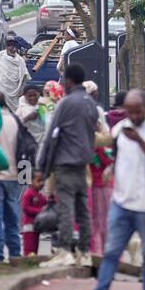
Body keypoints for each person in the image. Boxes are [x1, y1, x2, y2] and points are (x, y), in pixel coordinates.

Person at [71, 90, 145, 290]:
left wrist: (140, 142)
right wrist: (111, 167)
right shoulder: (118, 130)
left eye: (139, 111)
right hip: (121, 202)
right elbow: (118, 156)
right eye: (131, 111)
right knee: (111, 252)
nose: (135, 116)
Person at [39, 63, 99, 261]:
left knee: (66, 208)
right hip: (83, 164)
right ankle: (84, 250)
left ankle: (64, 250)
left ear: (69, 80)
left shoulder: (66, 103)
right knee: (83, 209)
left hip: (64, 163)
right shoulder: (90, 103)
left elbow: (52, 135)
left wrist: (42, 167)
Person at [0, 90, 31, 262]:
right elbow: (25, 147)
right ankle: (15, 253)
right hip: (14, 175)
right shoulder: (15, 120)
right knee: (12, 215)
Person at [0, 36, 30, 110]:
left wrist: (22, 89)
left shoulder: (20, 60)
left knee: (14, 111)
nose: (12, 48)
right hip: (1, 89)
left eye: (13, 45)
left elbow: (24, 76)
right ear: (6, 46)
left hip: (15, 92)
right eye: (9, 45)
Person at [16, 85, 48, 150]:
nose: (33, 98)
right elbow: (16, 124)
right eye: (30, 96)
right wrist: (27, 118)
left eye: (35, 95)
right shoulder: (21, 108)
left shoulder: (44, 105)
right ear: (25, 96)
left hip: (44, 140)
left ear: (39, 94)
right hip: (29, 141)